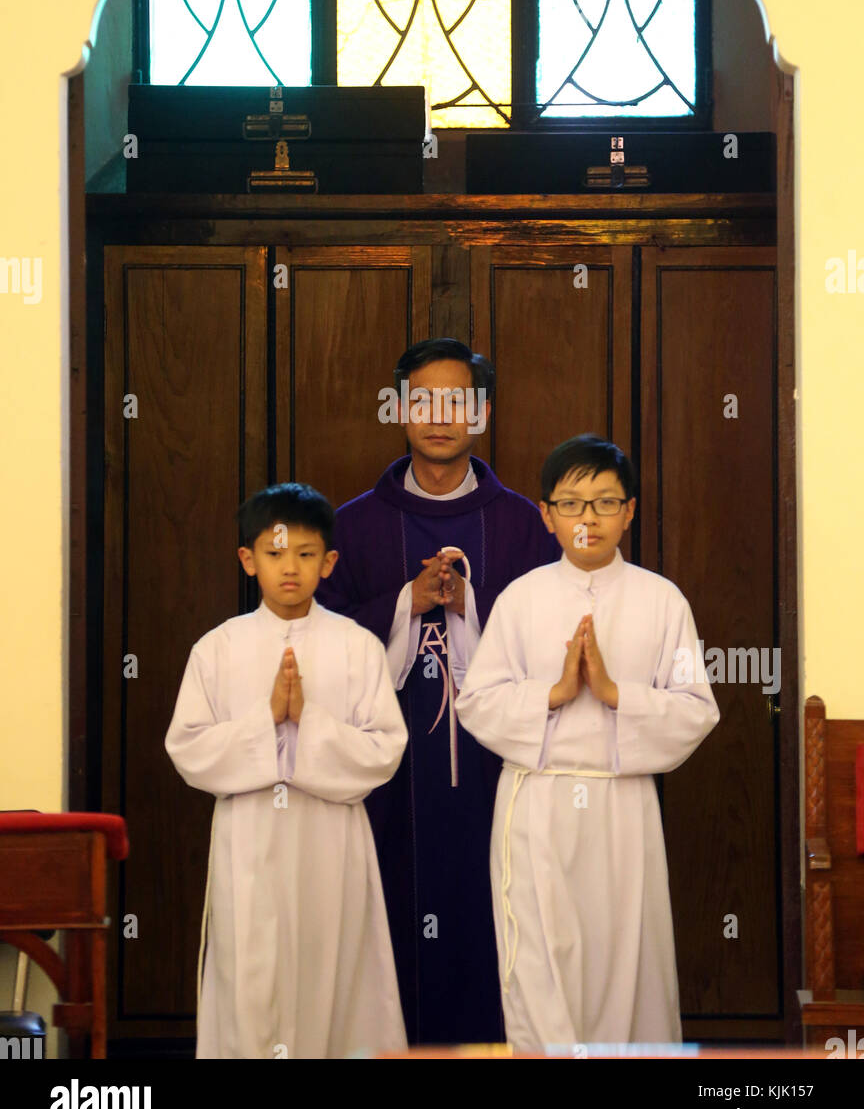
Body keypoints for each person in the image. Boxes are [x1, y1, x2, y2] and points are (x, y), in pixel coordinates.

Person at [314, 337, 560, 1046]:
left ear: (480, 412)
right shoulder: (354, 525)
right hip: (392, 783)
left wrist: (468, 612)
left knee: (494, 912)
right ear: (399, 408)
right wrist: (402, 603)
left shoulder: (523, 524)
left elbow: (551, 644)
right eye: (424, 398)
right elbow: (320, 645)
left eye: (459, 399)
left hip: (493, 774)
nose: (441, 414)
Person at [455, 434, 720, 1051]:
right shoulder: (521, 599)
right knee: (541, 966)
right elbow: (477, 702)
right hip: (537, 807)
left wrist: (613, 692)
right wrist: (551, 693)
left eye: (605, 502)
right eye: (572, 503)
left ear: (630, 511)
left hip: (622, 806)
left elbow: (695, 709)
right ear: (546, 515)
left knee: (627, 963)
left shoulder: (663, 600)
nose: (589, 518)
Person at [164, 482, 408, 1059]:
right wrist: (267, 720)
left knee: (336, 966)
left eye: (304, 553)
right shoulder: (217, 649)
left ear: (329, 561)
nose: (289, 569)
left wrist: (309, 722)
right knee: (251, 970)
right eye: (274, 555)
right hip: (249, 836)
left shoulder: (357, 646)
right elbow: (188, 750)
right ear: (248, 560)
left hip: (332, 838)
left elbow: (385, 749)